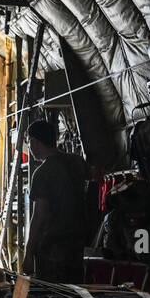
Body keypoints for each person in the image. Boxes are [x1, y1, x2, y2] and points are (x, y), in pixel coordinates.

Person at [21, 118, 89, 283]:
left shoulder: (42, 173)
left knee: (52, 297)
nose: (29, 147)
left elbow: (39, 216)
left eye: (29, 142)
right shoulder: (78, 162)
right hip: (78, 246)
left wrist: (29, 253)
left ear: (35, 142)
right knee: (75, 295)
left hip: (52, 249)